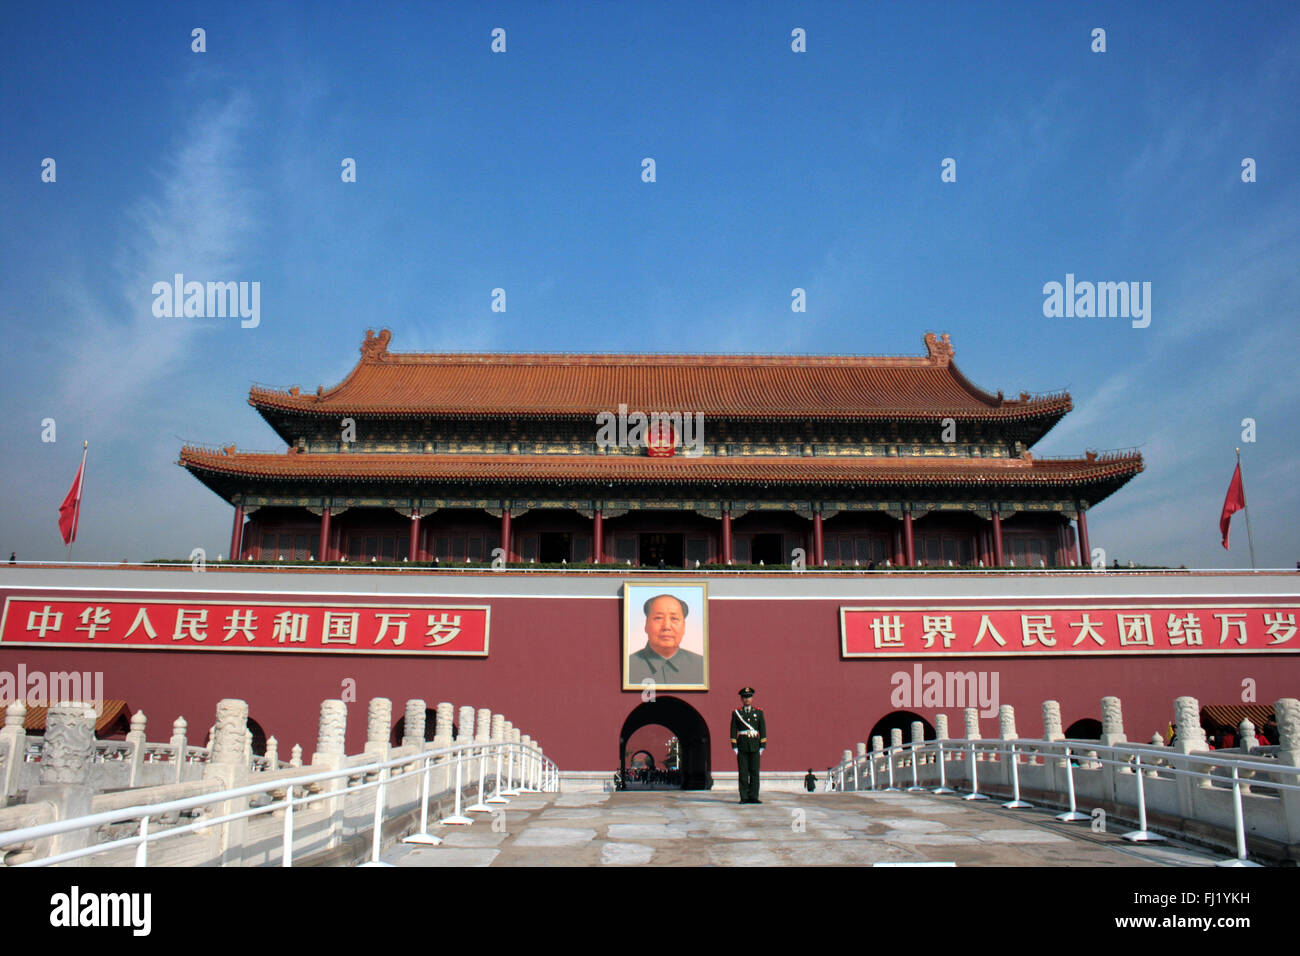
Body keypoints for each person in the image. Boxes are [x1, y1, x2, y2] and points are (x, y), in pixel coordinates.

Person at [627, 594, 704, 685]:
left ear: (684, 626)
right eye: (658, 618)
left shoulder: (702, 666)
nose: (666, 626)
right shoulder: (627, 666)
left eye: (674, 618)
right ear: (646, 625)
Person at [730, 686, 767, 804]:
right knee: (743, 772)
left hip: (755, 745)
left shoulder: (759, 712)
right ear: (741, 699)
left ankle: (754, 796)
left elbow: (762, 729)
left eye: (749, 697)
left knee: (755, 772)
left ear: (752, 698)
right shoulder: (737, 713)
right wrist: (734, 746)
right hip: (742, 745)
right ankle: (744, 797)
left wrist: (763, 745)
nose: (747, 699)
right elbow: (733, 730)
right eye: (745, 697)